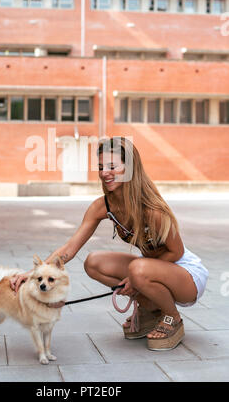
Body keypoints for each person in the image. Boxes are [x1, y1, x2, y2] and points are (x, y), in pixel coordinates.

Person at [10, 136, 209, 351]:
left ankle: (173, 318)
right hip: (149, 269)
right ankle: (151, 309)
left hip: (186, 275)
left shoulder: (152, 209)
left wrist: (137, 276)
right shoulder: (102, 206)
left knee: (138, 268)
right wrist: (33, 273)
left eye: (113, 166)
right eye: (101, 166)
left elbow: (176, 251)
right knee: (93, 262)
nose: (105, 172)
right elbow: (70, 248)